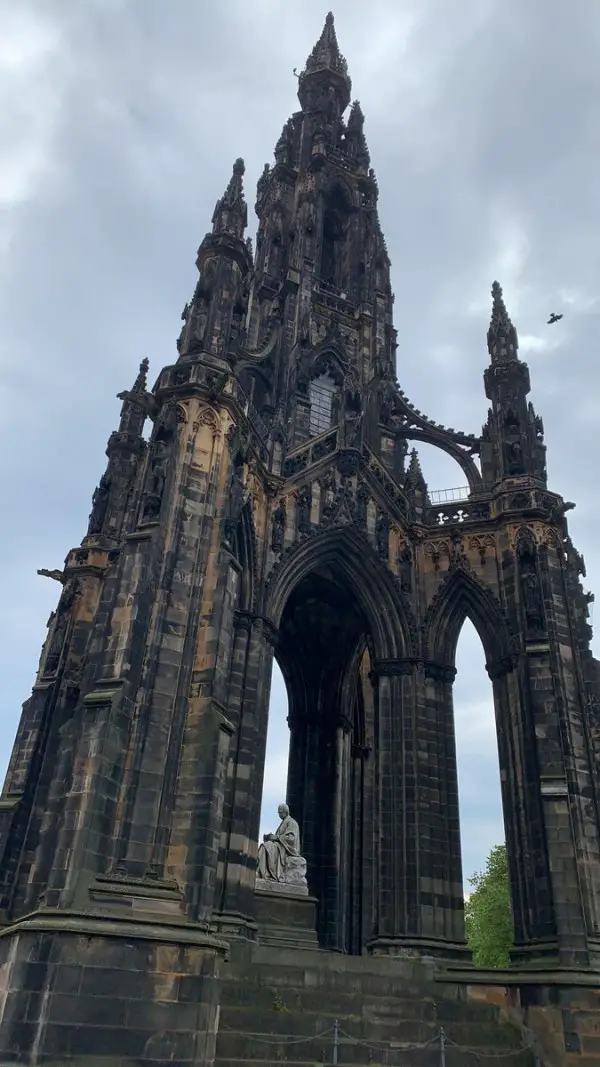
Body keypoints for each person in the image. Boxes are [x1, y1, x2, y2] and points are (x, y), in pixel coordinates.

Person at [257, 803, 303, 883]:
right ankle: (262, 871)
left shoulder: (292, 823)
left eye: (280, 812)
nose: (279, 815)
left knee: (266, 847)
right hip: (279, 846)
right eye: (279, 813)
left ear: (286, 812)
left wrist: (277, 837)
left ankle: (266, 873)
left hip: (286, 849)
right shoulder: (284, 822)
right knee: (265, 846)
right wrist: (270, 837)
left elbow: (291, 839)